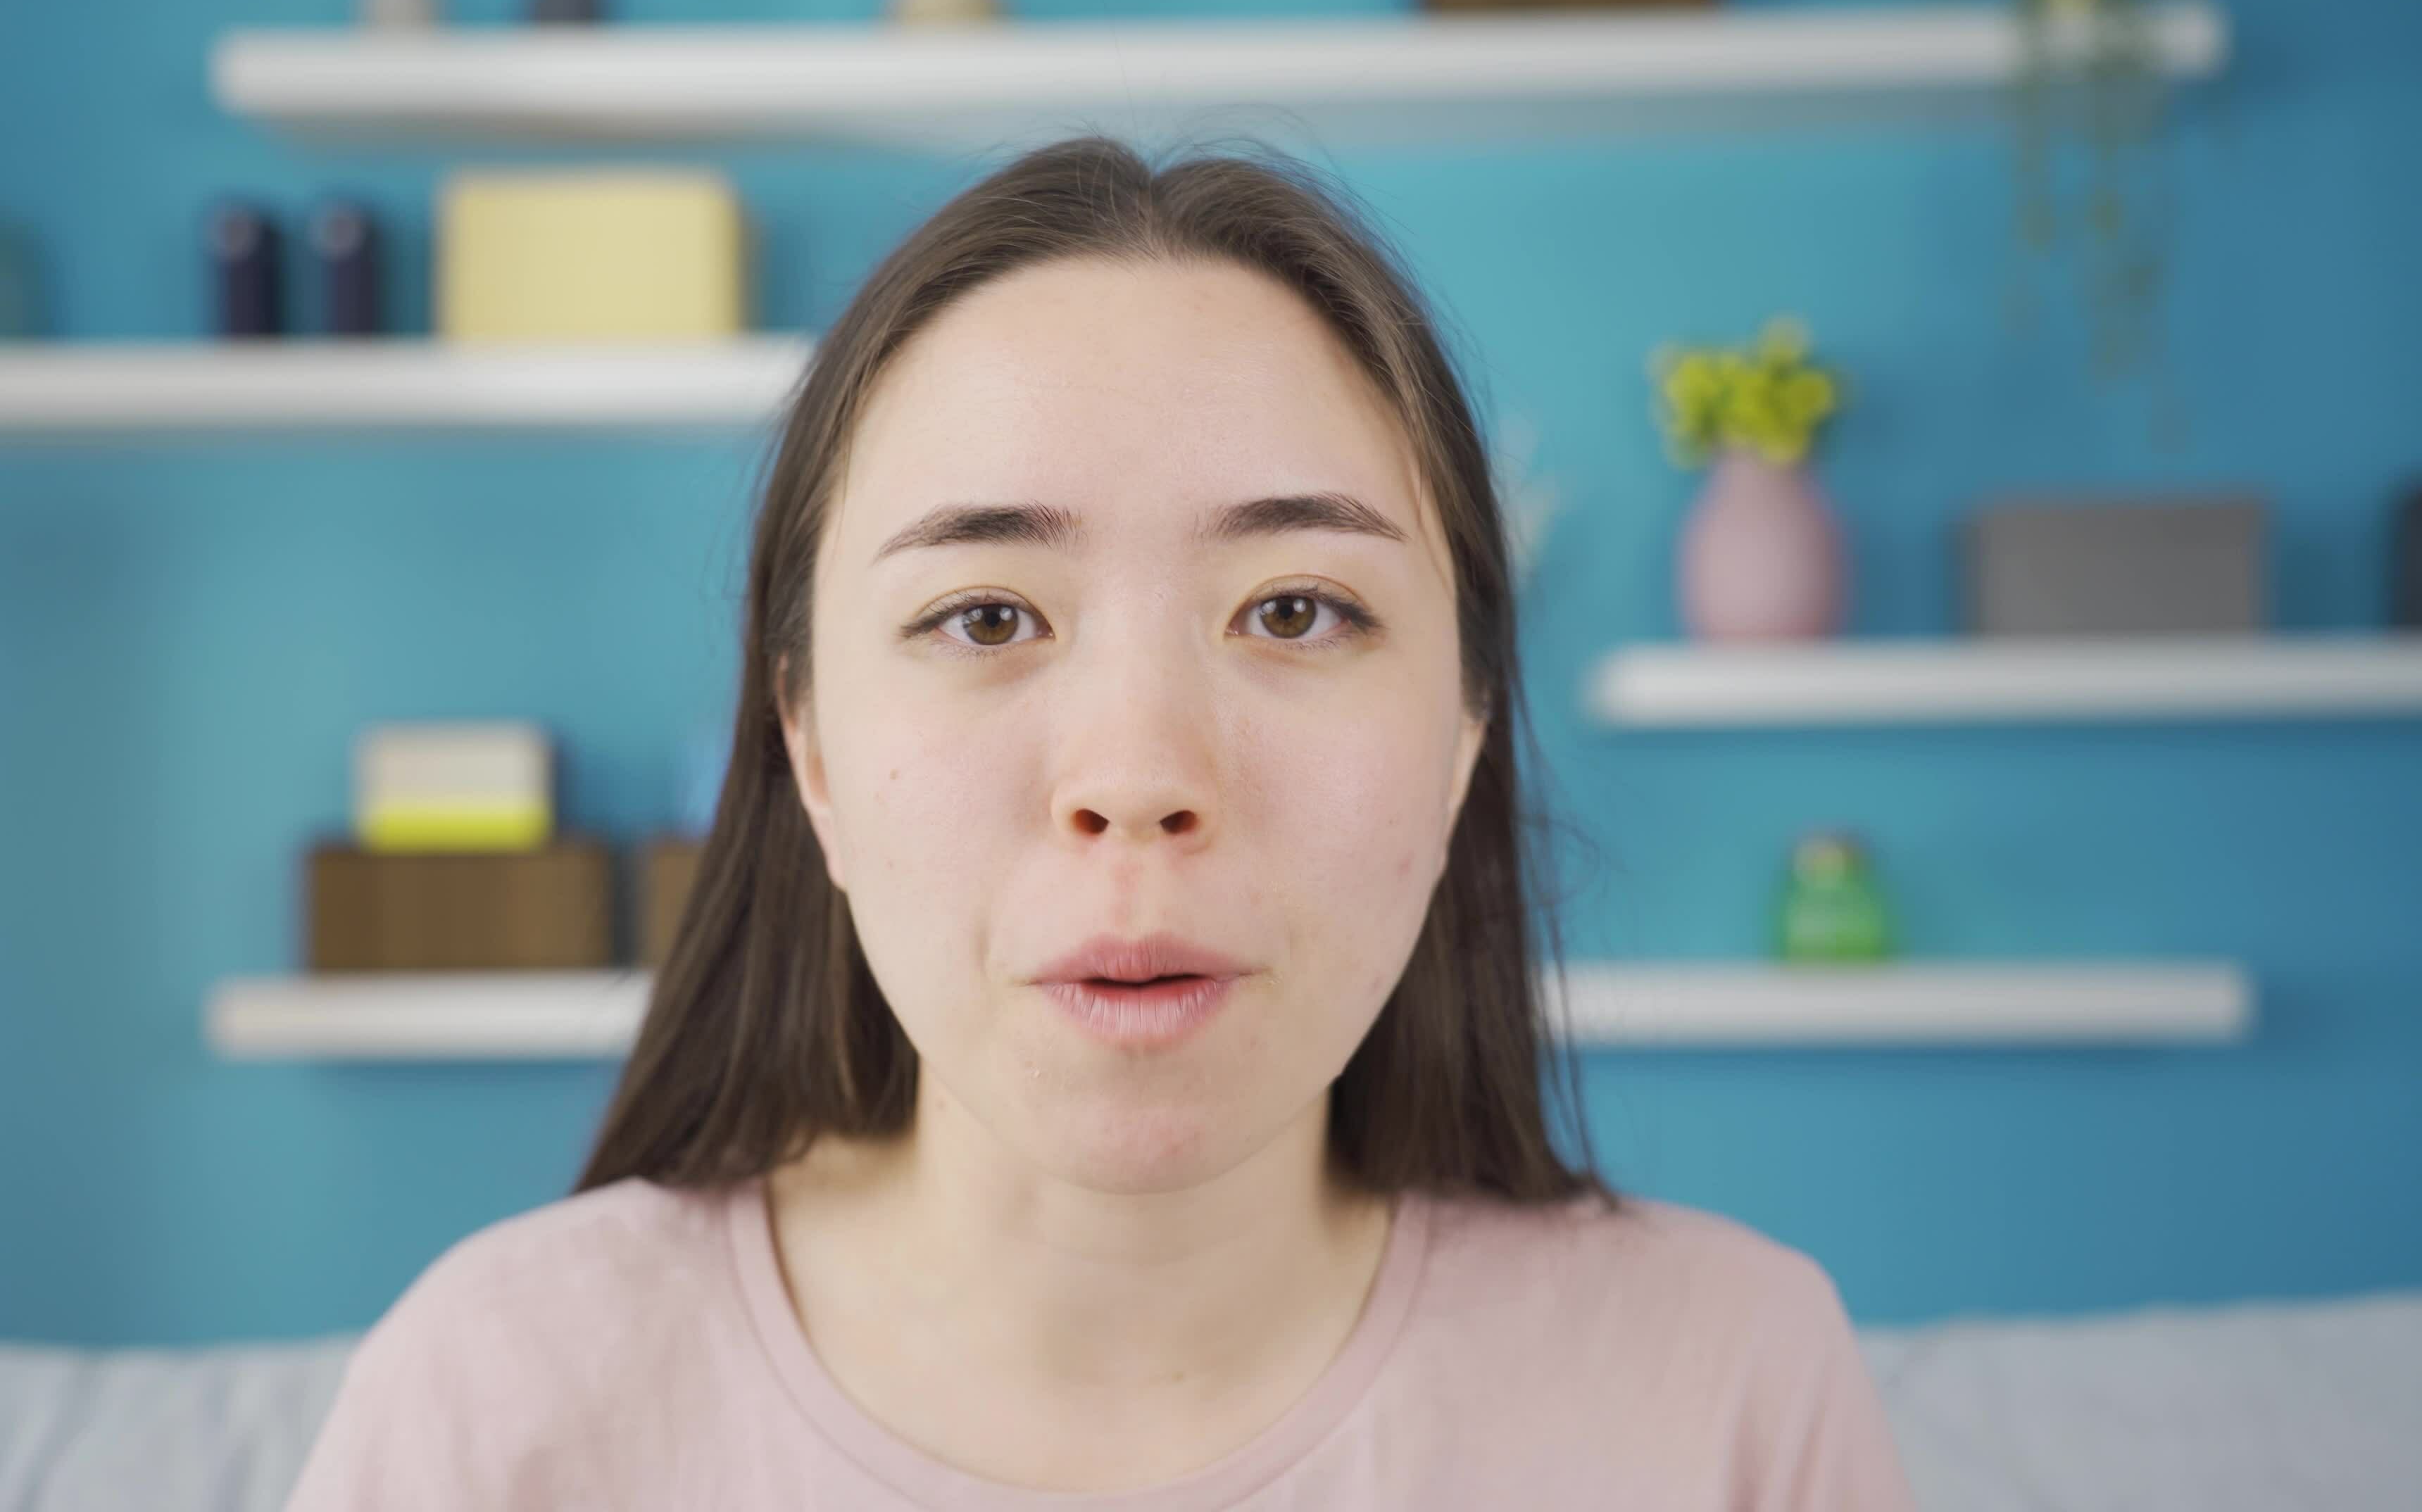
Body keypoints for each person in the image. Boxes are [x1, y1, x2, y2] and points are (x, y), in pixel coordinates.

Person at [284, 135, 1916, 1510]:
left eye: (1294, 610)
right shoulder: (496, 1411)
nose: (1137, 775)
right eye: (987, 618)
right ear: (812, 753)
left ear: (1462, 742)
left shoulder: (1734, 1400)